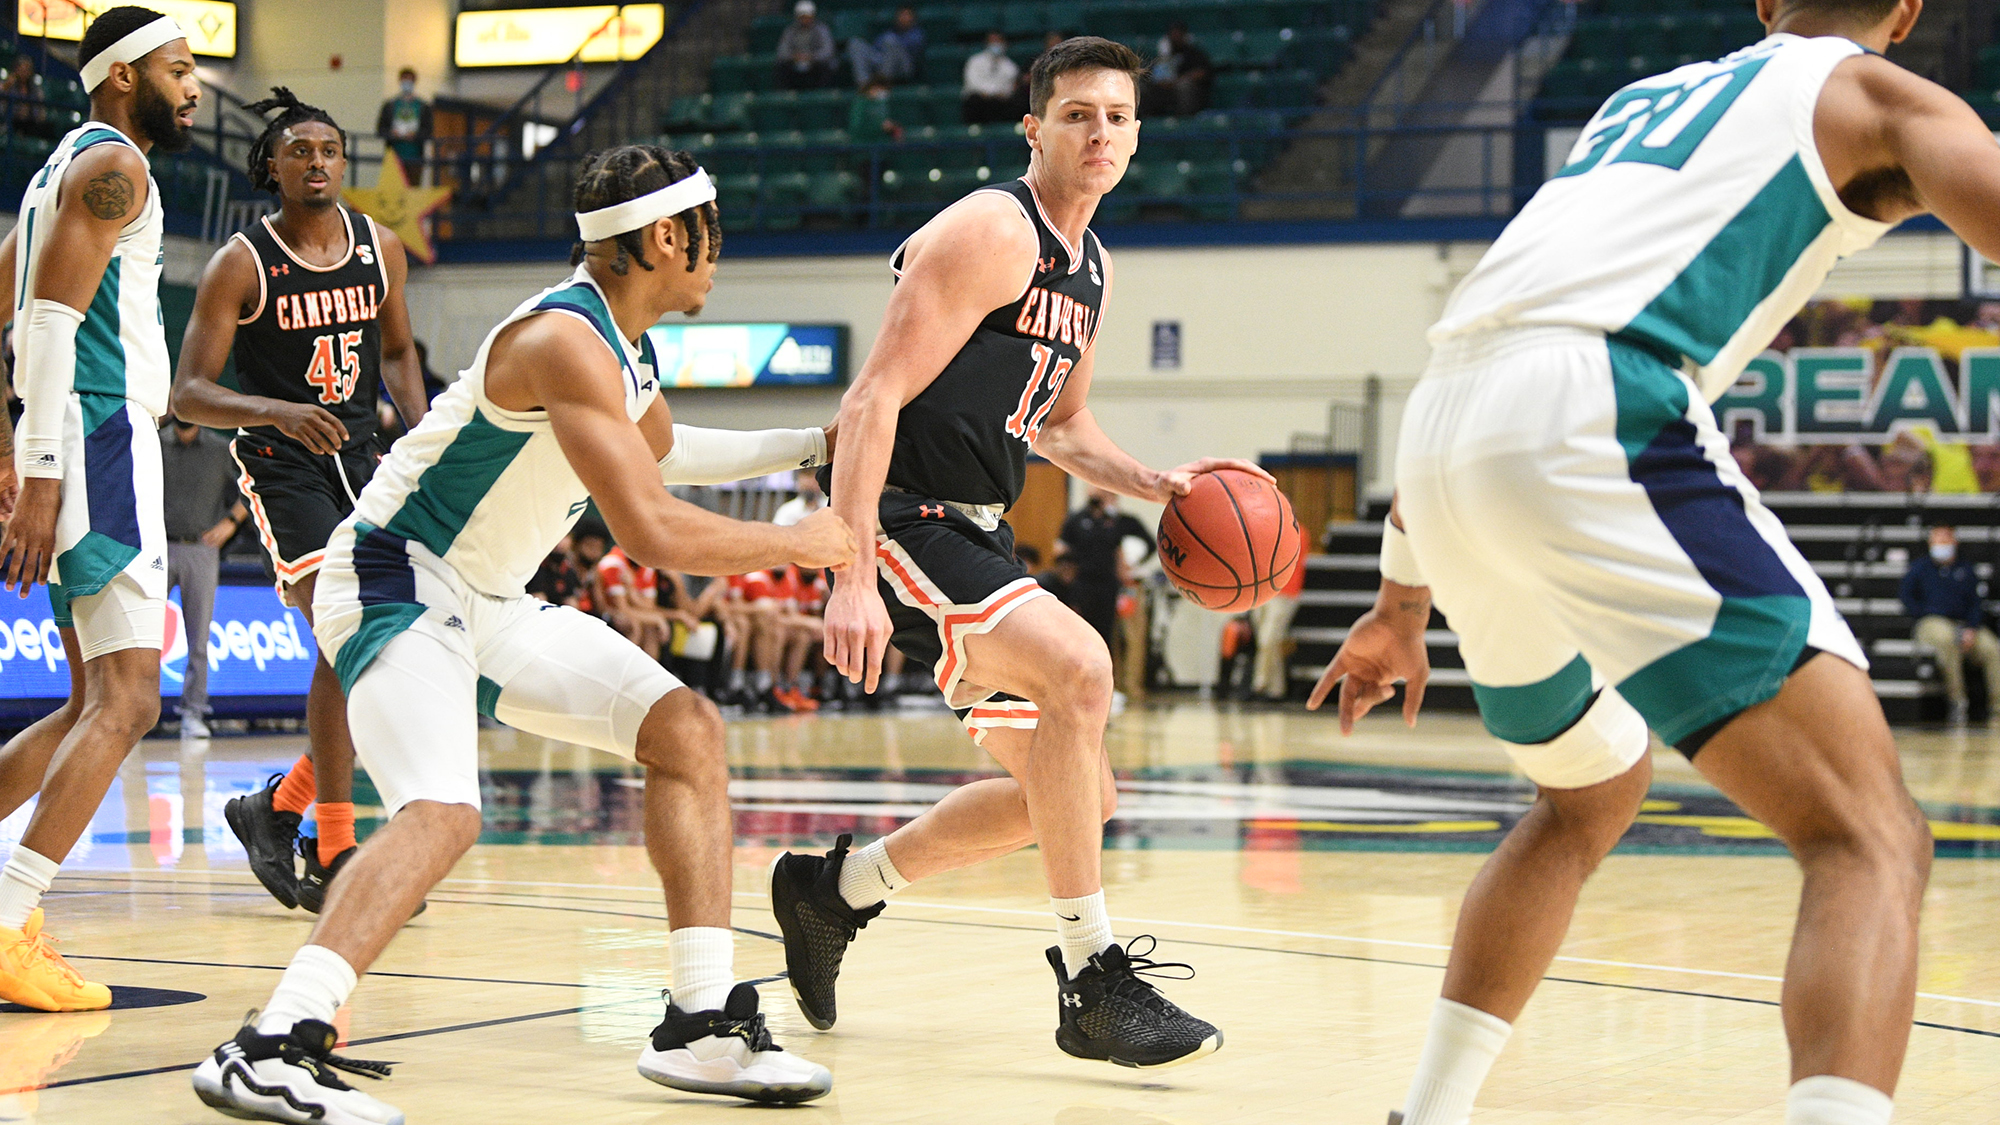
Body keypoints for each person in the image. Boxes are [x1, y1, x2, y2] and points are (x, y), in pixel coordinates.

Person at [1315, 1, 1982, 1121]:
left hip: (1442, 428)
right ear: (1906, 12)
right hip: (1594, 407)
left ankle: (1425, 1113)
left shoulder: (1641, 99)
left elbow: (1508, 337)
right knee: (1868, 835)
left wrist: (1397, 607)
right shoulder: (1874, 92)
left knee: (1586, 794)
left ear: (1763, 1)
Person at [190, 145, 854, 1121]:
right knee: (441, 812)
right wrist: (800, 540)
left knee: (686, 731)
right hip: (398, 577)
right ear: (667, 236)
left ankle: (700, 1023)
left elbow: (664, 452)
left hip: (486, 598)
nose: (717, 251)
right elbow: (649, 527)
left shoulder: (622, 346)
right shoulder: (563, 340)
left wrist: (813, 442)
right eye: (709, 231)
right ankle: (270, 1044)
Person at [783, 37, 1256, 1068]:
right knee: (1083, 667)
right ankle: (1092, 981)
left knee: (1076, 796)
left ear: (1138, 133)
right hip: (902, 516)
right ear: (1032, 128)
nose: (1100, 133)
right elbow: (870, 398)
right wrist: (850, 567)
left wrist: (1156, 483)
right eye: (1077, 114)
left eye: (1117, 117)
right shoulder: (995, 228)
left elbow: (1061, 424)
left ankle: (836, 892)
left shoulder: (1093, 265)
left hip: (976, 529)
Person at [171, 88, 431, 915]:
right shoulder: (242, 262)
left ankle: (279, 807)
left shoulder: (380, 248)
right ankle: (334, 844)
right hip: (281, 464)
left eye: (328, 149)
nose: (316, 161)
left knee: (386, 650)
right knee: (346, 636)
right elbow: (188, 393)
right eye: (299, 151)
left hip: (362, 459)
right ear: (272, 167)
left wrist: (426, 440)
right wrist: (276, 411)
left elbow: (399, 353)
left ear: (343, 162)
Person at [0, 5, 199, 1012]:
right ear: (124, 75)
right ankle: (7, 924)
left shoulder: (55, 173)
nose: (194, 87)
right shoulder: (114, 166)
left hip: (73, 438)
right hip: (99, 438)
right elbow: (44, 321)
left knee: (89, 701)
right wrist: (37, 472)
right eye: (179, 68)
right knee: (129, 701)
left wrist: (11, 449)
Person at [160, 416, 249, 738]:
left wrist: (230, 523)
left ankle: (193, 712)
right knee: (143, 639)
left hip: (201, 549)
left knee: (198, 639)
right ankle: (137, 713)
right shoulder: (154, 442)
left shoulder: (219, 448)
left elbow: (249, 489)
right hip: (157, 548)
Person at [1901, 524, 1998, 724]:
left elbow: (1976, 603)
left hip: (1964, 624)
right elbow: (1906, 597)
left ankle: (1997, 708)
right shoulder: (1920, 568)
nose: (1940, 544)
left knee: (1991, 648)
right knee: (1947, 639)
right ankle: (1958, 701)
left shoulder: (1966, 569)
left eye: (1944, 540)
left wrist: (1972, 628)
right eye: (1936, 540)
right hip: (1933, 622)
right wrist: (1924, 613)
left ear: (1954, 542)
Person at [1055, 487, 1151, 648]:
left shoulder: (1117, 521)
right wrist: (1066, 575)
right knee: (1080, 632)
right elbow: (1061, 550)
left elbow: (1144, 544)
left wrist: (1129, 565)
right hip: (1082, 583)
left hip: (1108, 584)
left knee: (1106, 634)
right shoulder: (1076, 519)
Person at [1251, 520, 1310, 700]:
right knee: (1270, 643)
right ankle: (1276, 689)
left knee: (1267, 639)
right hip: (1262, 592)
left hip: (1285, 593)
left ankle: (1259, 683)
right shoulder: (1265, 531)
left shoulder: (1299, 532)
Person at [375, 67, 431, 182]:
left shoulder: (423, 107)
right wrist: (391, 133)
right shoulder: (390, 105)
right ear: (399, 81)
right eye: (404, 80)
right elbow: (380, 129)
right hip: (393, 157)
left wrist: (415, 135)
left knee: (413, 188)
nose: (407, 83)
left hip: (415, 157)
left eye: (409, 80)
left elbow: (428, 131)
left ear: (415, 81)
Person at [850, 6, 924, 88]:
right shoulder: (890, 32)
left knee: (890, 41)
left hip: (904, 66)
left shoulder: (916, 34)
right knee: (855, 43)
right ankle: (864, 84)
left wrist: (892, 42)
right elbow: (877, 47)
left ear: (913, 18)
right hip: (883, 62)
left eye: (907, 15)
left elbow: (912, 50)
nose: (904, 18)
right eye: (901, 15)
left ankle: (882, 83)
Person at [1148, 23, 1212, 118]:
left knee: (1184, 86)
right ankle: (1149, 118)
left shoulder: (1194, 53)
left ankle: (1185, 119)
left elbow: (1202, 73)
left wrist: (1177, 81)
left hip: (1189, 93)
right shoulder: (1164, 55)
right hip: (1164, 90)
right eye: (1173, 34)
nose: (1175, 37)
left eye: (1178, 34)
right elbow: (1154, 74)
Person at [776, 1, 838, 91]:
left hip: (815, 64)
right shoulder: (790, 31)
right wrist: (794, 56)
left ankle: (821, 94)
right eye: (802, 17)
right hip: (795, 63)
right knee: (781, 67)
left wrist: (811, 57)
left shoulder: (821, 29)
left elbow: (828, 51)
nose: (805, 20)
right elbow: (782, 51)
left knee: (826, 67)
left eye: (808, 17)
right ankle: (787, 95)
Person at [962, 32, 1021, 126]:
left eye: (998, 41)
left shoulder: (1010, 66)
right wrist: (988, 93)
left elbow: (1009, 87)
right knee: (974, 101)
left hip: (1000, 101)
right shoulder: (974, 61)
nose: (995, 44)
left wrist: (996, 94)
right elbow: (972, 83)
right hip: (979, 99)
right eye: (993, 41)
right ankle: (974, 128)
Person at [3, 54, 46, 138]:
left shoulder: (35, 90)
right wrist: (6, 86)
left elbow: (41, 112)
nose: (24, 72)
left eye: (27, 69)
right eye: (21, 69)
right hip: (12, 122)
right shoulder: (9, 85)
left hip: (31, 123)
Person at [848, 79, 904, 143]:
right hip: (862, 143)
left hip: (879, 143)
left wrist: (891, 127)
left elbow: (883, 121)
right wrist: (879, 127)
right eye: (881, 89)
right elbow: (856, 126)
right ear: (872, 88)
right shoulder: (860, 103)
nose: (882, 93)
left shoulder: (881, 104)